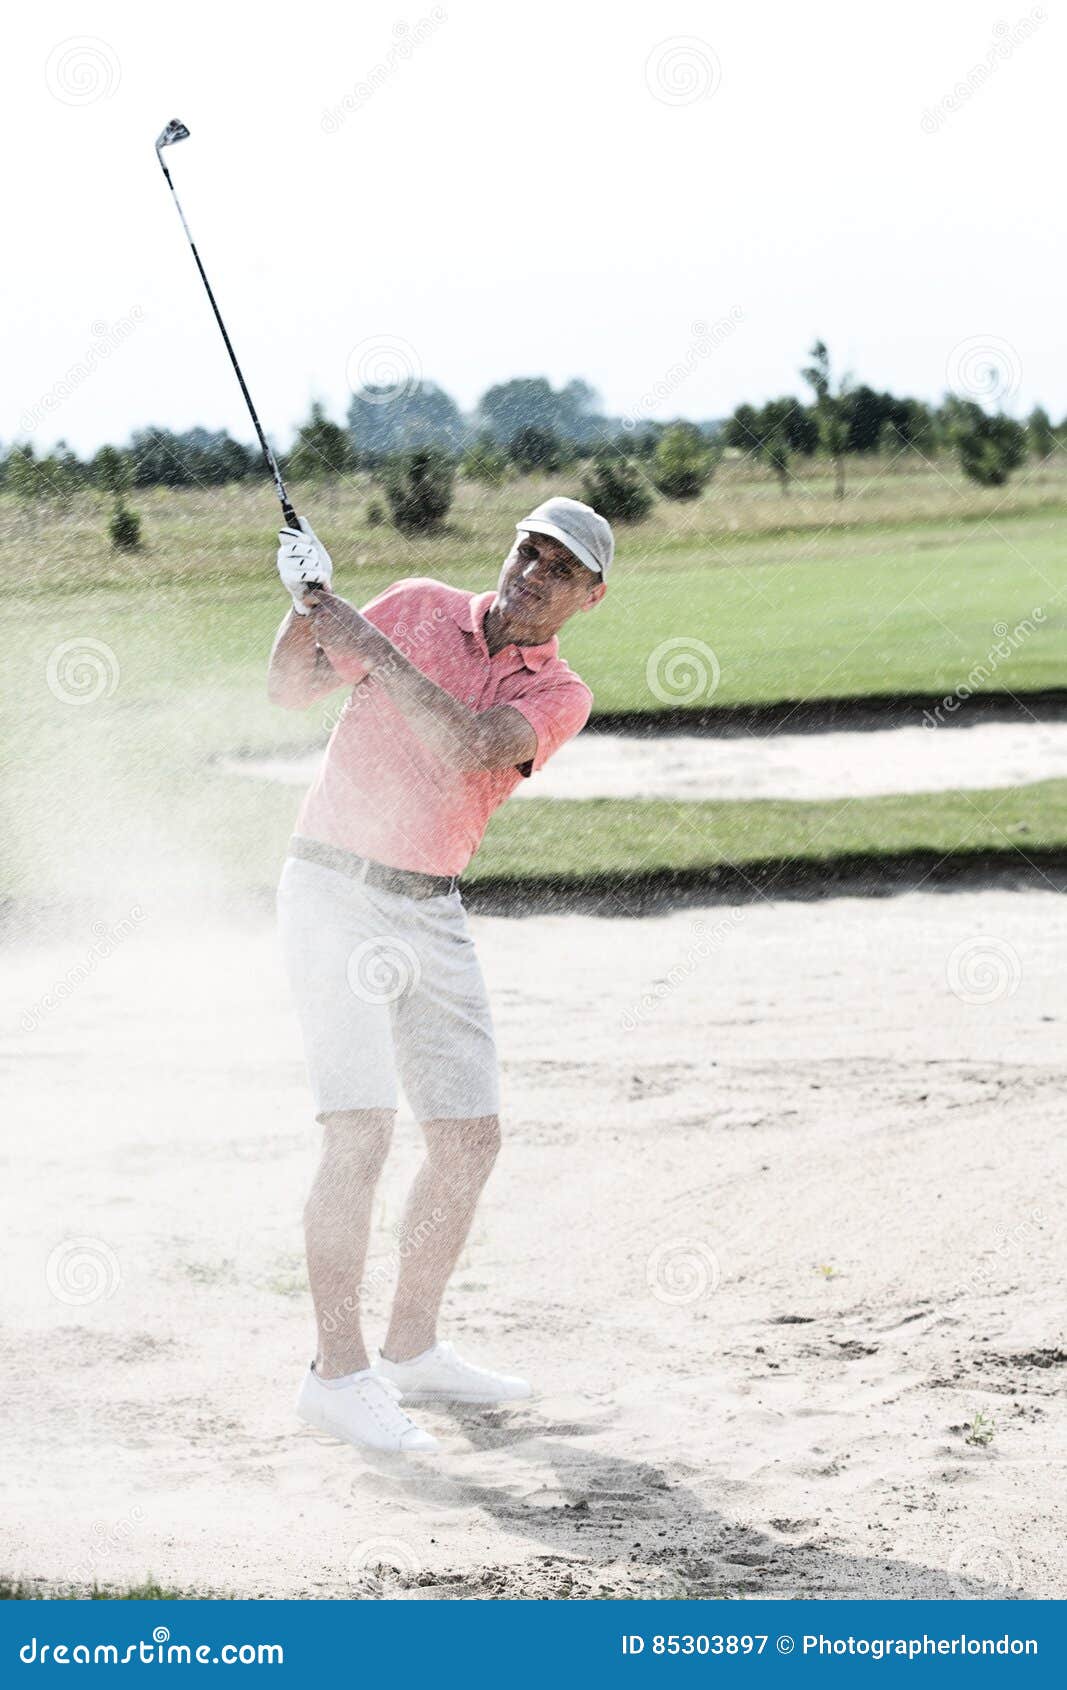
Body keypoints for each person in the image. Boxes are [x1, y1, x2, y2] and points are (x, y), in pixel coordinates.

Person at [268, 496, 612, 1452]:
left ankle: (411, 1348)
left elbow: (467, 745)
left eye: (559, 567)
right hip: (332, 888)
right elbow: (291, 690)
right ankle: (337, 1374)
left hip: (431, 906)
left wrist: (370, 648)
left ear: (589, 597)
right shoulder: (418, 601)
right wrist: (305, 602)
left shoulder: (560, 695)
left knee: (468, 1138)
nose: (531, 571)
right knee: (361, 1134)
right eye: (527, 549)